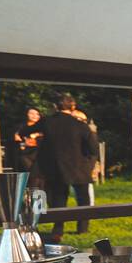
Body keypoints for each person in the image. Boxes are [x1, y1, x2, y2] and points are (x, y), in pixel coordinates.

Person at [35, 94, 99, 238]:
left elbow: (27, 130)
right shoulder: (80, 125)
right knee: (83, 199)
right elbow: (93, 148)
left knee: (59, 199)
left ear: (56, 106)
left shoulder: (47, 122)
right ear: (73, 107)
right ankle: (82, 228)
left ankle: (58, 229)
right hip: (79, 167)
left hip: (57, 167)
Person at [12, 106, 42, 175]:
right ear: (26, 114)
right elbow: (18, 141)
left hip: (40, 155)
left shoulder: (43, 127)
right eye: (31, 113)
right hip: (26, 155)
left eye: (37, 114)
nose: (34, 116)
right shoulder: (21, 127)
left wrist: (37, 135)